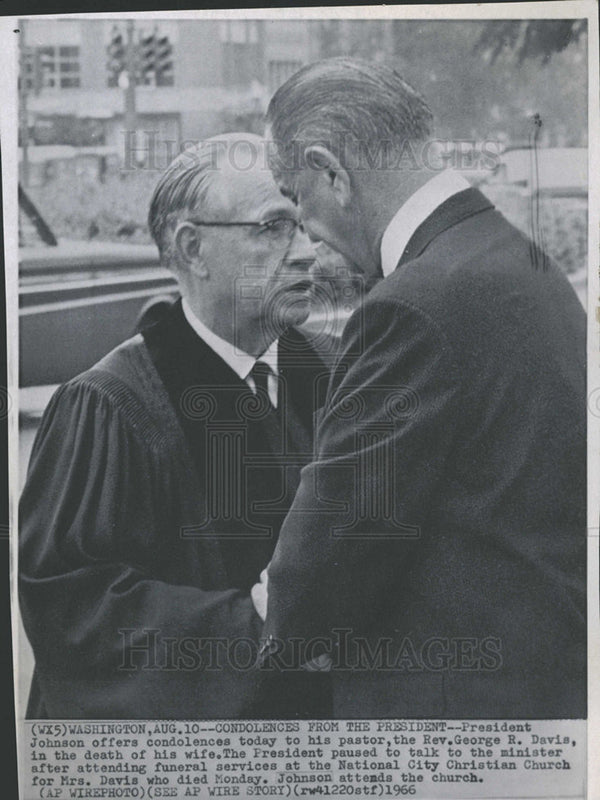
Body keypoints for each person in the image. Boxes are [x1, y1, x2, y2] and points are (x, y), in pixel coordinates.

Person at [256, 58, 587, 718]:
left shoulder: (411, 305)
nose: (304, 230)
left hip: (445, 713)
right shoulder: (525, 265)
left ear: (331, 172)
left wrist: (275, 608)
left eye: (296, 197)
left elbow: (332, 552)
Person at [19, 133, 330, 719]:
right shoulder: (109, 406)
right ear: (193, 249)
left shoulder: (336, 373)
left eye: (305, 225)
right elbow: (76, 612)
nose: (306, 252)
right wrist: (261, 621)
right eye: (274, 227)